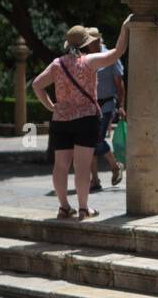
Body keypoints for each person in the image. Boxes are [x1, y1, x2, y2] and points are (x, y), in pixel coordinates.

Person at [32, 21, 128, 219]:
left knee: (60, 166)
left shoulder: (57, 64)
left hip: (61, 120)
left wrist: (51, 106)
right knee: (82, 166)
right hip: (86, 119)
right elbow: (118, 52)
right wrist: (125, 27)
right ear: (85, 43)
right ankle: (83, 208)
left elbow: (37, 85)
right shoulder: (89, 61)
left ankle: (64, 207)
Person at [86, 25, 126, 192]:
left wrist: (122, 105)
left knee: (96, 139)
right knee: (89, 143)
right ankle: (94, 180)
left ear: (97, 40)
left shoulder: (110, 56)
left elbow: (119, 83)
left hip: (107, 103)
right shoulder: (84, 57)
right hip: (89, 104)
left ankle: (115, 165)